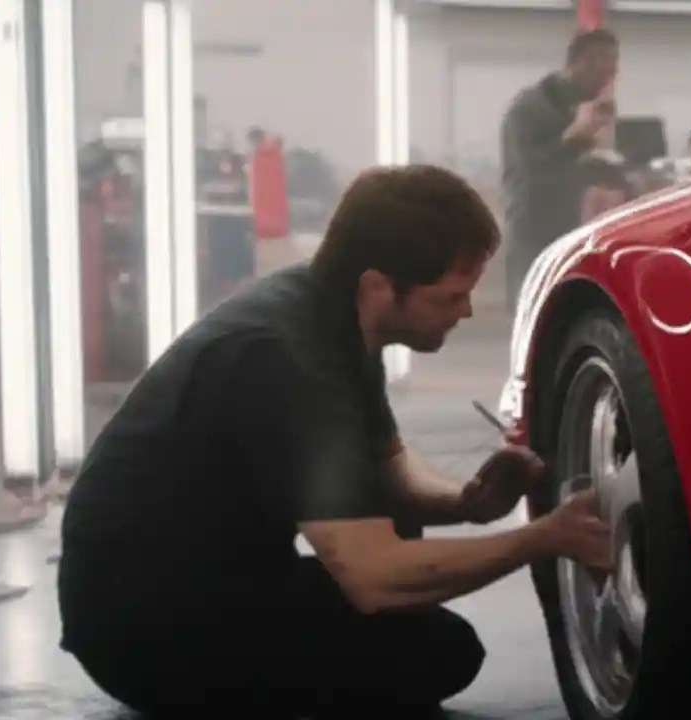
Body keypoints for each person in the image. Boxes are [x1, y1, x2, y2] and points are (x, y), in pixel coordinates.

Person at [56, 165, 613, 719]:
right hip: (142, 626)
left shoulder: (332, 318)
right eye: (450, 297)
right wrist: (544, 538)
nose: (466, 311)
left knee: (420, 622)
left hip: (202, 581)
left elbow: (390, 470)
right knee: (435, 652)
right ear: (378, 286)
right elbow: (374, 578)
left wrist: (469, 503)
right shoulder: (289, 359)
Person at [500, 28, 619, 311]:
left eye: (612, 66)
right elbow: (528, 167)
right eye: (600, 64)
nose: (607, 75)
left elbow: (580, 165)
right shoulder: (529, 108)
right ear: (575, 62)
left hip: (571, 227)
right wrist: (572, 141)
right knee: (534, 310)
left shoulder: (581, 108)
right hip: (534, 230)